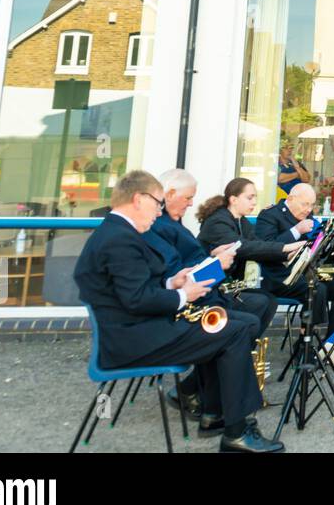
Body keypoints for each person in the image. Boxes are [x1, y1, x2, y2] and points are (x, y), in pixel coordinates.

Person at [73, 170, 283, 452]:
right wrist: (184, 294)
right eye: (158, 203)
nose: (159, 210)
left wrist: (173, 282)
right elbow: (137, 299)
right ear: (138, 199)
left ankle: (217, 415)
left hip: (139, 328)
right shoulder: (119, 238)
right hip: (132, 340)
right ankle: (236, 431)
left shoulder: (118, 232)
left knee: (233, 323)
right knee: (236, 330)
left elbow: (137, 287)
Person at [145, 168, 278, 424]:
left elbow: (182, 273)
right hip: (189, 306)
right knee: (243, 326)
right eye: (187, 198)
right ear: (169, 194)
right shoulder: (162, 227)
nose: (191, 203)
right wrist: (218, 263)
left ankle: (211, 405)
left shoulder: (171, 224)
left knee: (252, 315)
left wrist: (215, 263)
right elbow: (177, 277)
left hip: (202, 296)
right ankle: (226, 415)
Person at [255, 182, 334, 362]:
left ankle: (332, 343)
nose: (308, 209)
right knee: (316, 288)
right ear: (290, 199)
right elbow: (265, 247)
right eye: (305, 204)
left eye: (311, 205)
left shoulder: (306, 215)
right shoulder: (269, 215)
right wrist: (296, 230)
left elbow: (316, 247)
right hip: (279, 277)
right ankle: (305, 343)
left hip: (306, 273)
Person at [195, 178, 308, 303]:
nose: (254, 202)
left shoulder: (242, 221)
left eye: (255, 198)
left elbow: (259, 245)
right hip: (207, 285)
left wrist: (287, 255)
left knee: (269, 300)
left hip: (227, 284)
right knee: (261, 301)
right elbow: (244, 247)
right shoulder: (217, 221)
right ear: (233, 200)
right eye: (250, 198)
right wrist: (285, 247)